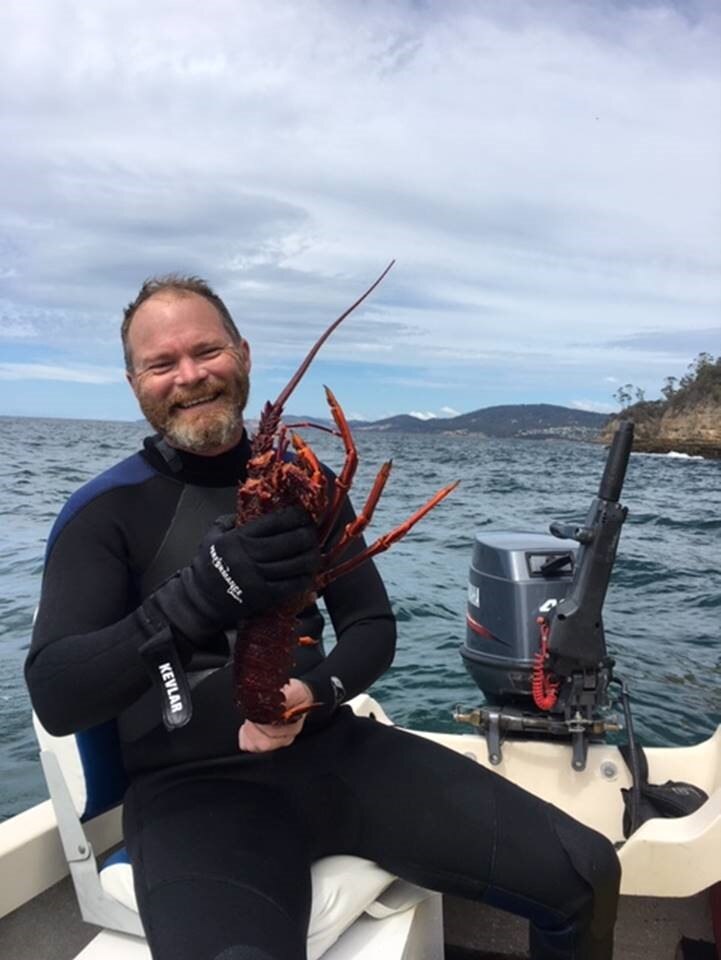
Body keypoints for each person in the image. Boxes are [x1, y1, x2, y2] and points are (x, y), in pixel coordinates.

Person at [26, 275, 621, 960]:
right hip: (195, 793)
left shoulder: (305, 479)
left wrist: (315, 693)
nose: (190, 376)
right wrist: (198, 595)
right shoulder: (105, 513)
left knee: (585, 873)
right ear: (135, 381)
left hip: (337, 752)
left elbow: (371, 625)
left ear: (243, 354)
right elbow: (59, 692)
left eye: (207, 350)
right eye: (162, 363)